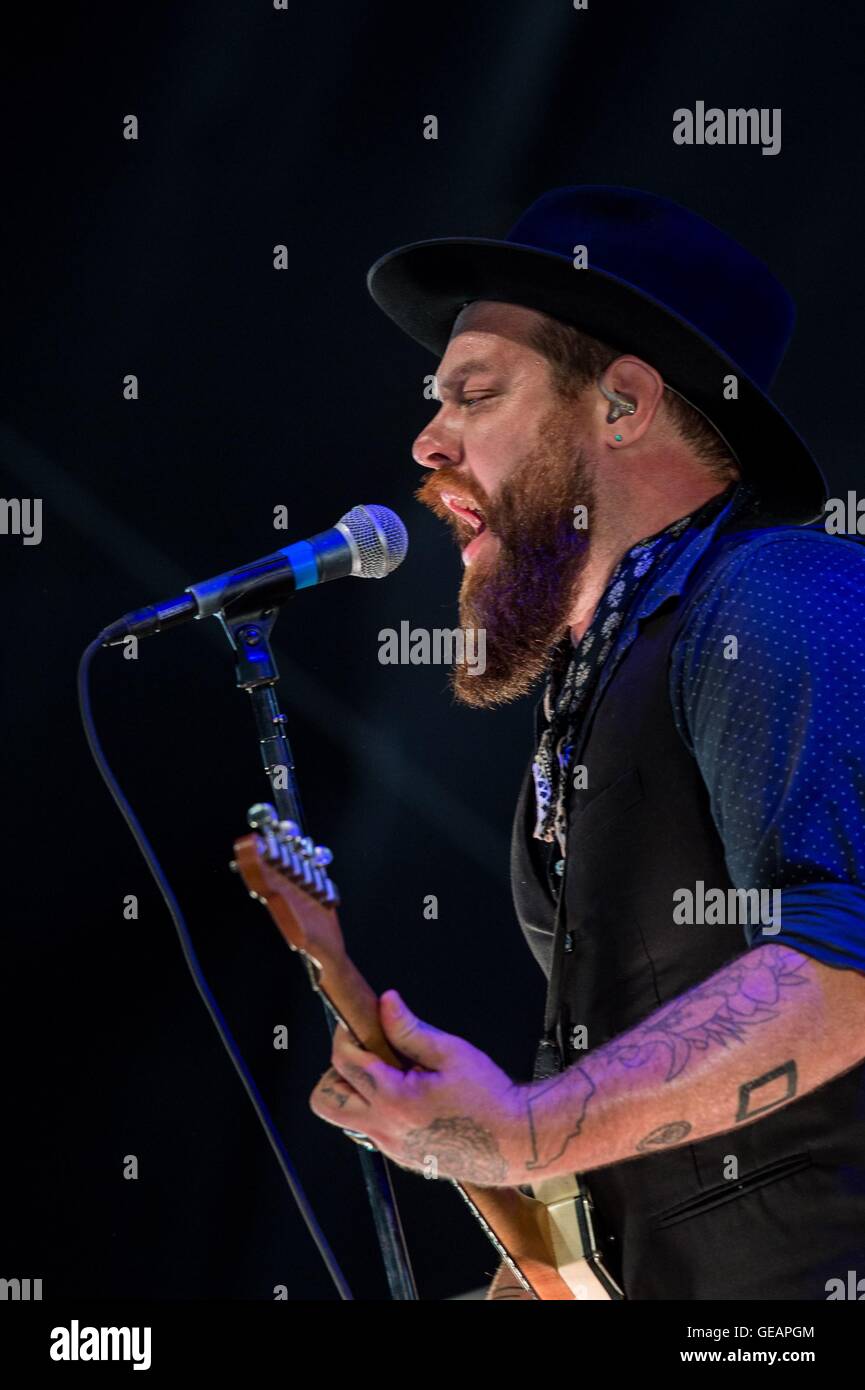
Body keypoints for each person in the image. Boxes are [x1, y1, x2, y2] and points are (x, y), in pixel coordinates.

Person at [309, 187, 865, 1299]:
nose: (426, 440)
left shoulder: (776, 594)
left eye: (473, 393)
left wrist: (529, 1131)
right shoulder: (593, 693)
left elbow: (851, 962)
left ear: (621, 403)